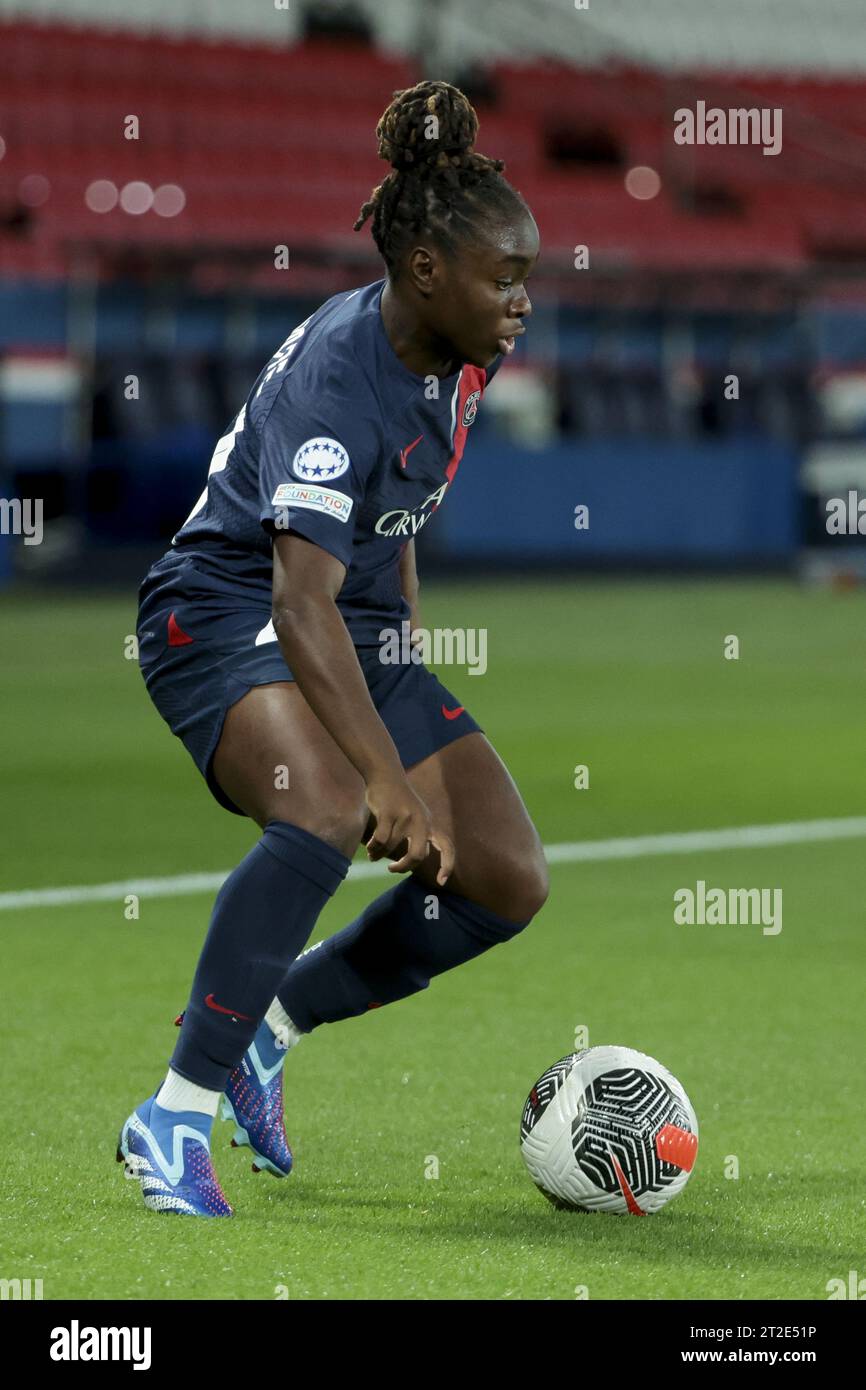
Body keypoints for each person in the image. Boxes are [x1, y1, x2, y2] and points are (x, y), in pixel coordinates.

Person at [117, 79, 548, 1216]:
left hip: (348, 617)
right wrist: (381, 774)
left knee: (503, 877)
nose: (522, 304)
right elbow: (297, 599)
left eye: (527, 279)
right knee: (324, 809)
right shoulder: (336, 381)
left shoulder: (465, 346)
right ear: (423, 273)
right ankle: (171, 1115)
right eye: (504, 281)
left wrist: (401, 644)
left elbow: (391, 512)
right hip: (217, 612)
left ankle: (270, 1026)